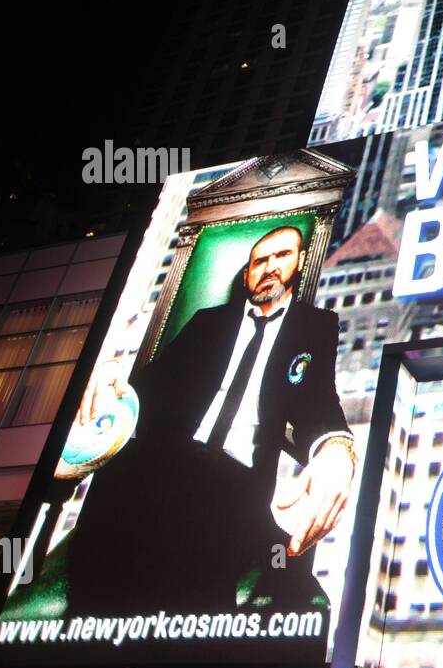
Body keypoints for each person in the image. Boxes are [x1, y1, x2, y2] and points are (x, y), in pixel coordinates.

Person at [66, 226, 355, 620]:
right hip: (166, 461)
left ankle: (183, 647)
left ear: (300, 261)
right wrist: (116, 375)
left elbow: (319, 400)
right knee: (124, 500)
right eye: (259, 261)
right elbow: (150, 387)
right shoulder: (208, 322)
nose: (269, 267)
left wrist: (337, 451)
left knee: (203, 563)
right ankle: (98, 625)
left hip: (237, 479)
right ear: (246, 275)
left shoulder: (315, 326)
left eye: (281, 256)